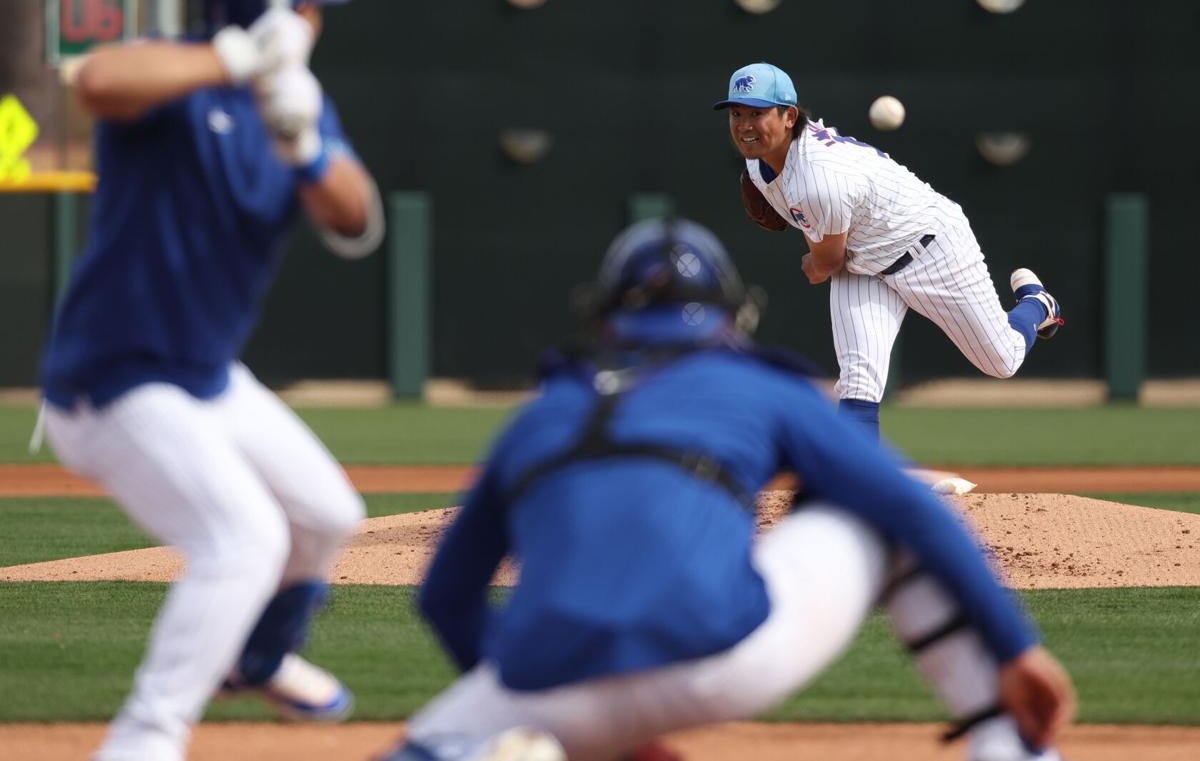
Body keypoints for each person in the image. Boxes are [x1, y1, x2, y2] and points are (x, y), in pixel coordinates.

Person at [376, 219, 1075, 761]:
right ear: (732, 318)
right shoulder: (758, 385)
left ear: (605, 320)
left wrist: (543, 693)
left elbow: (444, 596)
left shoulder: (539, 415)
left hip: (545, 681)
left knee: (430, 741)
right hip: (720, 657)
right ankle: (1008, 744)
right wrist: (1016, 647)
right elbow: (910, 506)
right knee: (870, 514)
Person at [39, 0, 384, 761]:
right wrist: (233, 59)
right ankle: (143, 741)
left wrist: (302, 141)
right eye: (314, 6)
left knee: (328, 514)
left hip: (204, 374)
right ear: (279, 10)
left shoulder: (293, 100)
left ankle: (256, 657)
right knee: (242, 540)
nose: (318, 23)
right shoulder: (173, 79)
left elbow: (355, 218)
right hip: (112, 380)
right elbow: (99, 81)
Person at [716, 62, 1063, 439]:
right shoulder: (758, 162)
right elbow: (831, 246)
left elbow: (825, 263)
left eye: (757, 113)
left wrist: (811, 262)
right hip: (863, 261)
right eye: (736, 113)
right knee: (858, 382)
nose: (744, 125)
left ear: (789, 116)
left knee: (1003, 360)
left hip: (930, 246)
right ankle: (856, 485)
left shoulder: (819, 179)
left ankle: (1039, 305)